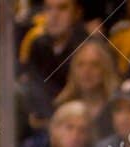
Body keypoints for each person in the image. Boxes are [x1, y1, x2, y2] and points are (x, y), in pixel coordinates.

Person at [18, 0, 90, 130]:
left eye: (62, 9)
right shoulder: (37, 45)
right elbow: (33, 85)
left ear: (77, 13)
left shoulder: (89, 48)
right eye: (48, 9)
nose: (54, 15)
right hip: (43, 125)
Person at [53, 35, 118, 139]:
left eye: (95, 65)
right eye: (81, 65)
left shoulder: (117, 109)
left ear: (105, 70)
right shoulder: (62, 108)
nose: (87, 71)